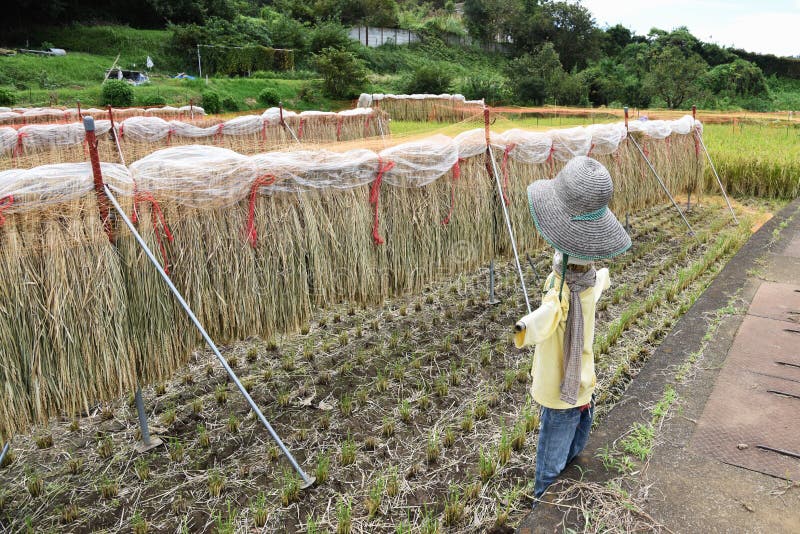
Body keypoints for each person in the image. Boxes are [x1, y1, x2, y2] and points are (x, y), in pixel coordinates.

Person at [513, 156, 631, 502]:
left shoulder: (573, 284)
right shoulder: (576, 284)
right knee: (561, 463)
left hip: (571, 387)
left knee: (560, 465)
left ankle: (551, 505)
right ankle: (553, 503)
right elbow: (554, 311)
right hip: (574, 387)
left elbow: (550, 314)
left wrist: (524, 327)